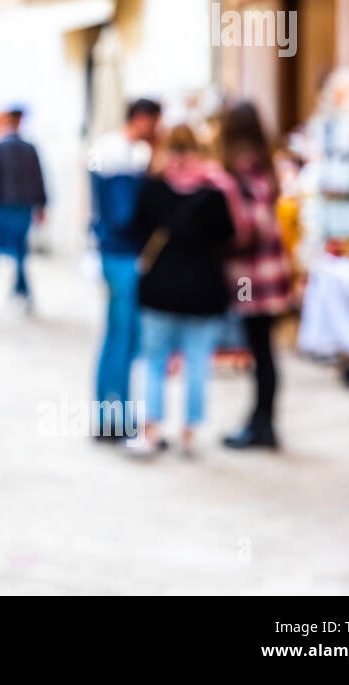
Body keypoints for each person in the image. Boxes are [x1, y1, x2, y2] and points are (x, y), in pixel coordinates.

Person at [129, 125, 237, 457]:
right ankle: (189, 435)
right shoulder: (214, 193)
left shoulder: (153, 188)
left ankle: (150, 431)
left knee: (155, 361)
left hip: (159, 289)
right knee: (196, 365)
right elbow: (230, 236)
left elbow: (135, 232)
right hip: (203, 292)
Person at [87, 97, 161, 441]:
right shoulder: (120, 155)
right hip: (122, 254)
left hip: (114, 253)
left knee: (119, 335)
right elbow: (123, 214)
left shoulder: (113, 150)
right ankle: (111, 415)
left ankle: (111, 411)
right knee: (122, 335)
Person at [220, 101, 291, 450]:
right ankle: (260, 419)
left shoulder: (245, 167)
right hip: (268, 272)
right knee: (262, 349)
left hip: (254, 276)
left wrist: (223, 233)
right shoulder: (265, 163)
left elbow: (251, 224)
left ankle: (263, 423)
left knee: (260, 349)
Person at [0, 107, 46, 309]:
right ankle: (21, 289)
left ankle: (21, 288)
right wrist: (41, 204)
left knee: (18, 248)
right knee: (19, 246)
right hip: (22, 203)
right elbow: (39, 177)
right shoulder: (27, 148)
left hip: (8, 203)